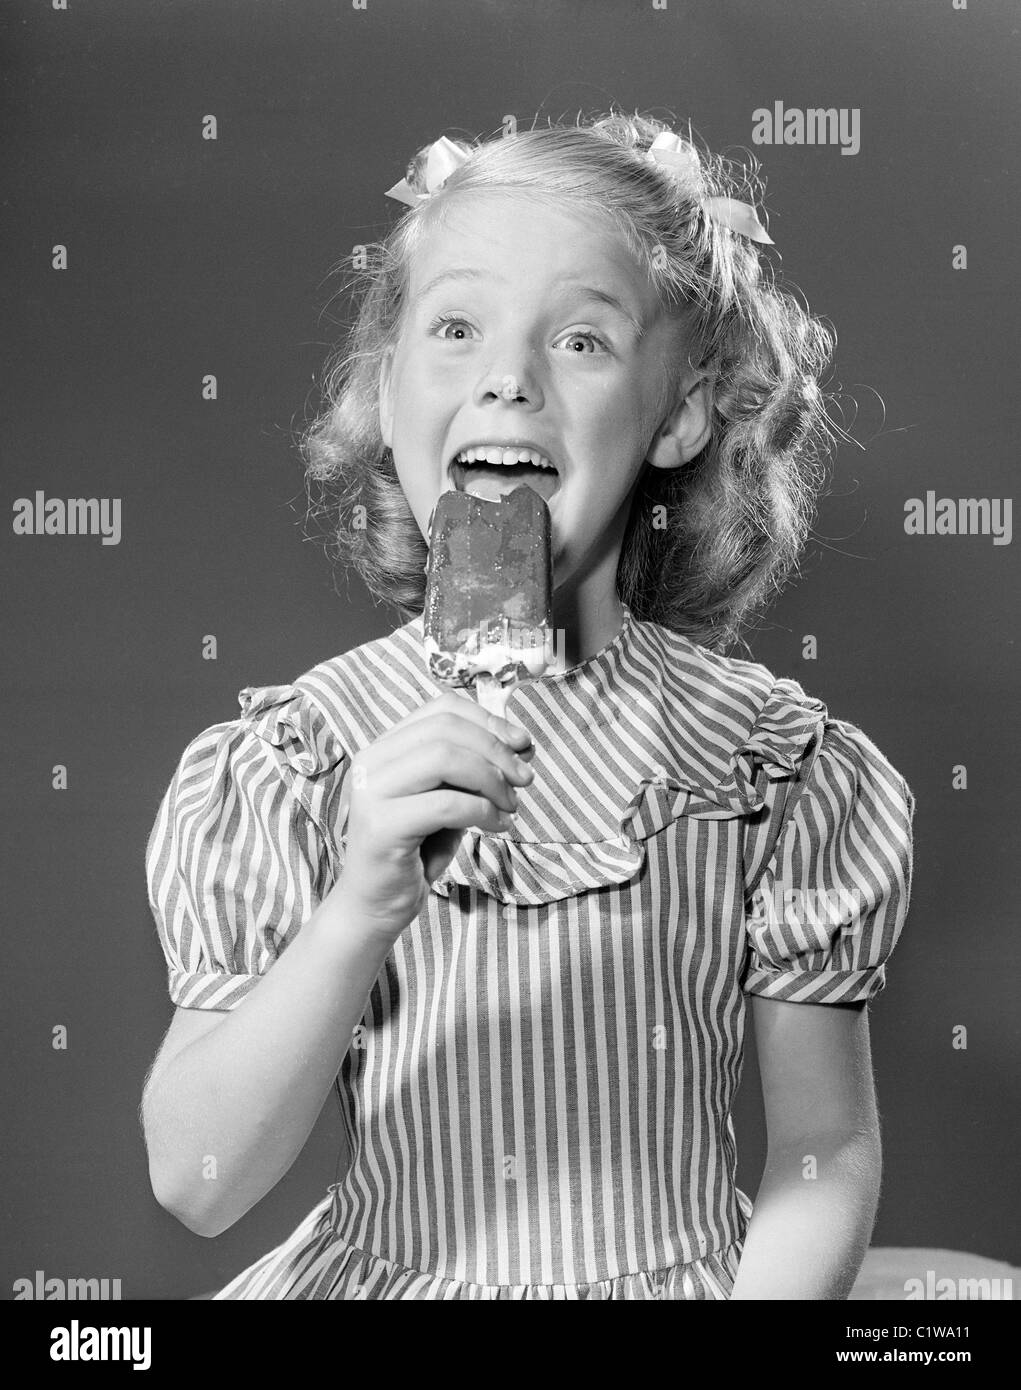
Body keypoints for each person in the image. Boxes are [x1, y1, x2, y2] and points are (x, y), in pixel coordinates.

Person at [141, 111, 916, 1299]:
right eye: (455, 327)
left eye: (583, 340)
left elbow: (822, 1145)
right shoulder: (294, 762)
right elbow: (198, 1181)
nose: (507, 375)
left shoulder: (768, 769)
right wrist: (358, 906)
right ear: (387, 385)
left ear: (680, 415)